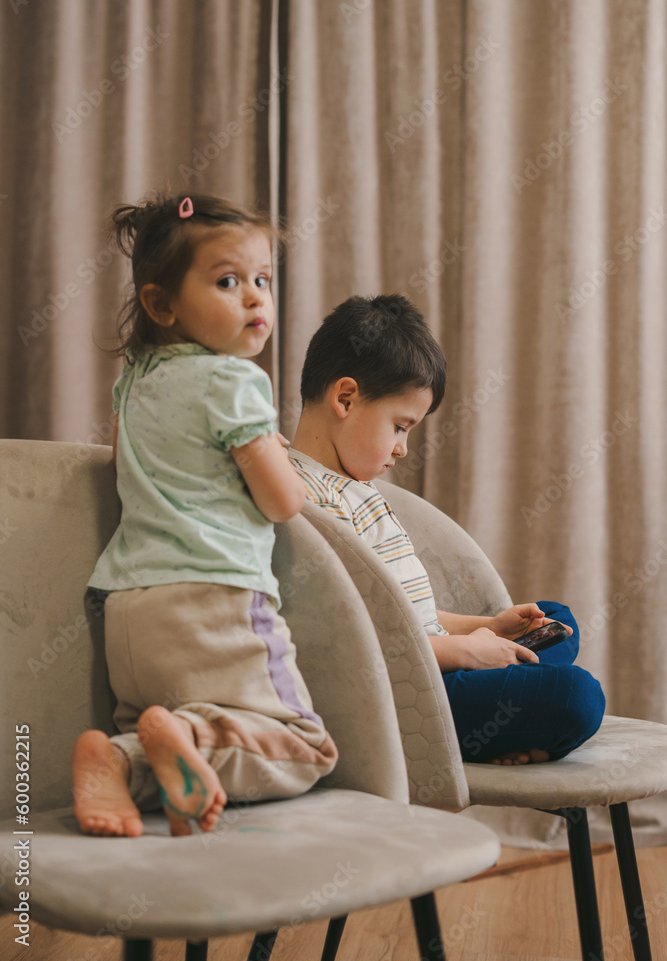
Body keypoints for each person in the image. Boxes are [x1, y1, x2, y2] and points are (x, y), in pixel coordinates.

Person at [73, 193, 338, 839]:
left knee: (149, 725)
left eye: (262, 281)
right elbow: (282, 502)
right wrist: (274, 451)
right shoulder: (233, 382)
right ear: (162, 304)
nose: (254, 299)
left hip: (128, 610)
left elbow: (121, 466)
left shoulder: (133, 380)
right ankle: (184, 733)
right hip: (214, 596)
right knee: (304, 745)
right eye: (228, 281)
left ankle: (119, 757)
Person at [288, 293, 605, 766]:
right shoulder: (304, 497)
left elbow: (407, 610)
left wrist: (485, 628)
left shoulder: (357, 488)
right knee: (578, 696)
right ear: (345, 397)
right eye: (400, 426)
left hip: (433, 655)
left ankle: (514, 710)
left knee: (557, 621)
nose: (402, 449)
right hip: (409, 691)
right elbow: (359, 639)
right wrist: (465, 652)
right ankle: (511, 725)